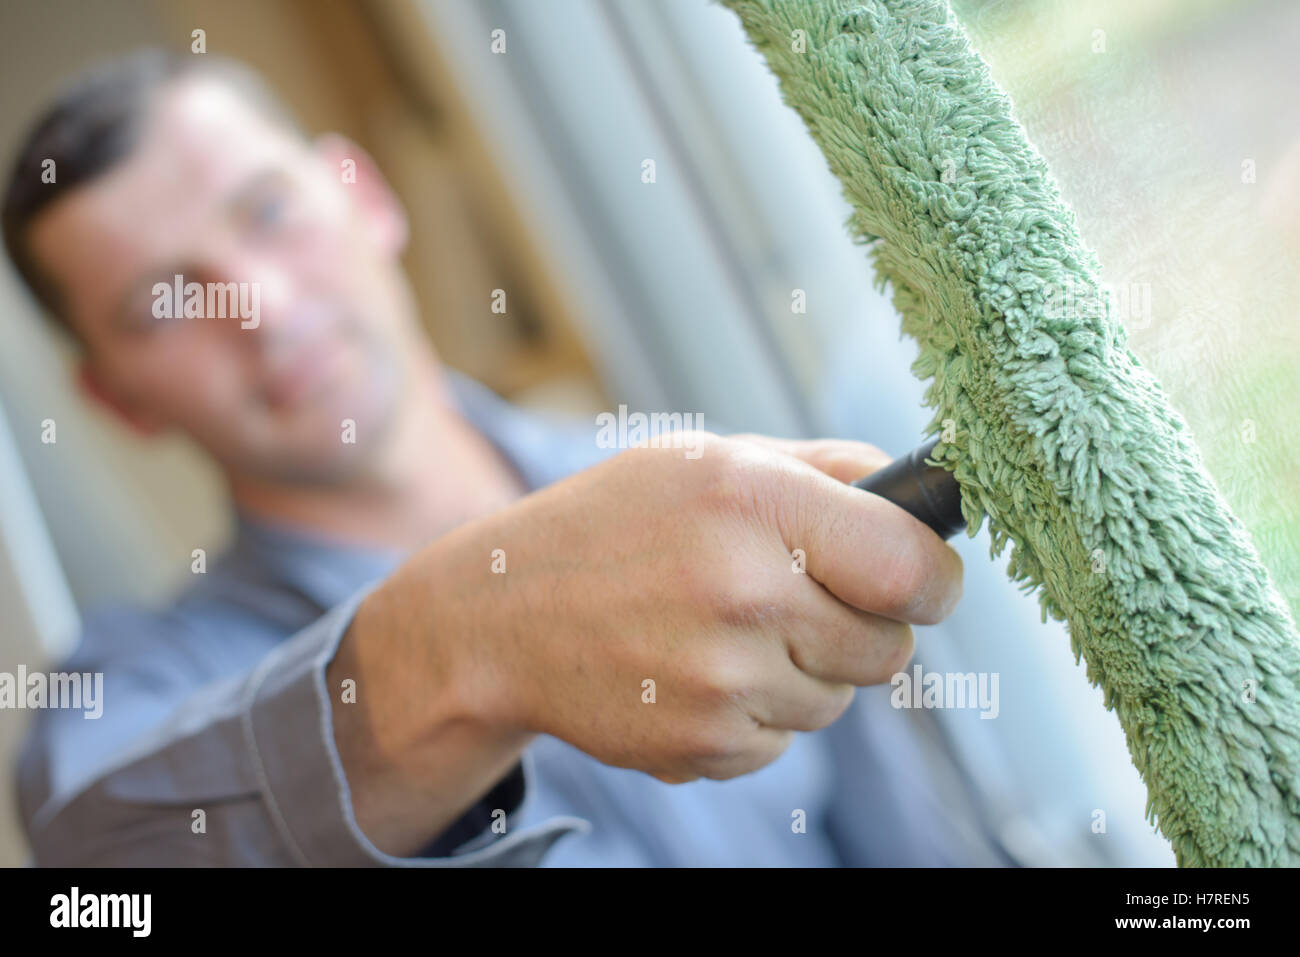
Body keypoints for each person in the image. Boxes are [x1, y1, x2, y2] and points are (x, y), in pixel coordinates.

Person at [2, 49, 1014, 866]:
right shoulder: (130, 696)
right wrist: (469, 644)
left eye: (267, 212)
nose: (256, 309)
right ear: (116, 400)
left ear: (364, 196)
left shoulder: (693, 483)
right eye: (164, 304)